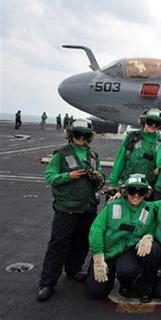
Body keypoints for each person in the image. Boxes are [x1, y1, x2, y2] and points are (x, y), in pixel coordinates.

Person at [37, 118, 104, 302]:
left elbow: (99, 180)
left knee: (81, 242)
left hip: (87, 206)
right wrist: (69, 176)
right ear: (71, 135)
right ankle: (47, 282)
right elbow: (50, 176)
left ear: (89, 137)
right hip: (67, 207)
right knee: (58, 244)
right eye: (77, 134)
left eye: (85, 135)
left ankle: (73, 269)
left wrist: (98, 176)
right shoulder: (61, 154)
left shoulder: (93, 156)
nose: (81, 137)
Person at [87, 174, 159, 303]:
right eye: (132, 191)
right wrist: (98, 256)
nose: (136, 195)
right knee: (97, 292)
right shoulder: (112, 206)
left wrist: (149, 235)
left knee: (128, 270)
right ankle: (94, 267)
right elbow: (96, 230)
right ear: (125, 191)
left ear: (146, 193)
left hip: (126, 252)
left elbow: (153, 224)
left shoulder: (150, 208)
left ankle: (127, 283)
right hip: (107, 252)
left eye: (141, 191)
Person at [108, 109, 161, 200]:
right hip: (130, 185)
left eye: (157, 123)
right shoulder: (132, 137)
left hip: (150, 189)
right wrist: (113, 183)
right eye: (150, 122)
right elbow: (121, 160)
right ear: (144, 121)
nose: (153, 126)